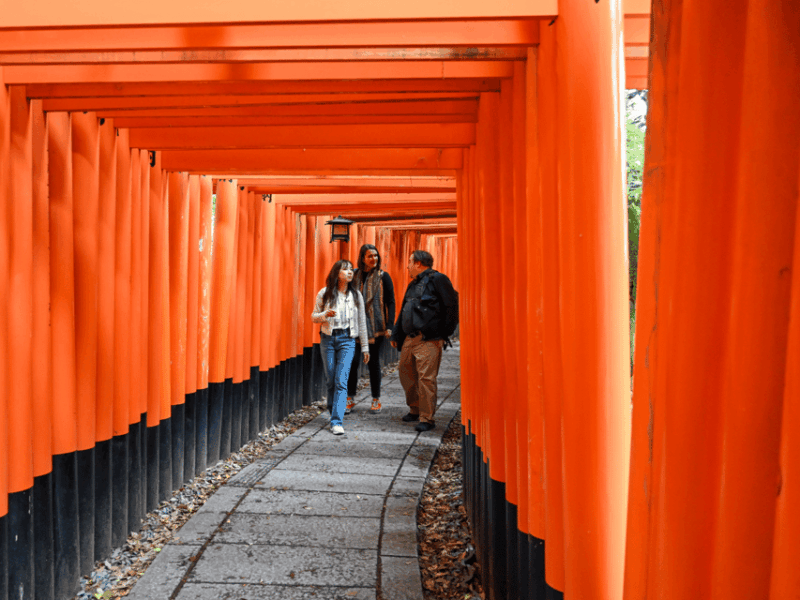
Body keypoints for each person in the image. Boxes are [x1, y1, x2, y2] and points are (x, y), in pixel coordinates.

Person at [390, 250, 458, 432]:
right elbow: (404, 309)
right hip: (409, 338)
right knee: (406, 374)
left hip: (429, 339)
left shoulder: (439, 280)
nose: (408, 266)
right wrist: (396, 334)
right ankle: (415, 408)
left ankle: (427, 418)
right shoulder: (413, 284)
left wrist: (444, 334)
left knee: (426, 379)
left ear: (419, 264)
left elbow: (452, 307)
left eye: (410, 262)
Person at [311, 259, 370, 435]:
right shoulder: (325, 293)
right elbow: (314, 317)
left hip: (347, 340)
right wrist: (324, 315)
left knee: (341, 380)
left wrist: (365, 347)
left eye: (351, 269)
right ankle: (332, 408)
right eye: (345, 270)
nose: (350, 272)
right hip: (328, 339)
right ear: (337, 273)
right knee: (331, 380)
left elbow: (361, 323)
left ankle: (337, 421)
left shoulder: (356, 295)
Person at [346, 244, 396, 415]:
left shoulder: (383, 277)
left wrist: (390, 325)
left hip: (377, 326)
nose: (374, 259)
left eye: (376, 255)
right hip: (355, 326)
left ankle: (376, 399)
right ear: (362, 258)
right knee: (352, 362)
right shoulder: (353, 276)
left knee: (374, 363)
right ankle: (349, 397)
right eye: (370, 256)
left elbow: (391, 301)